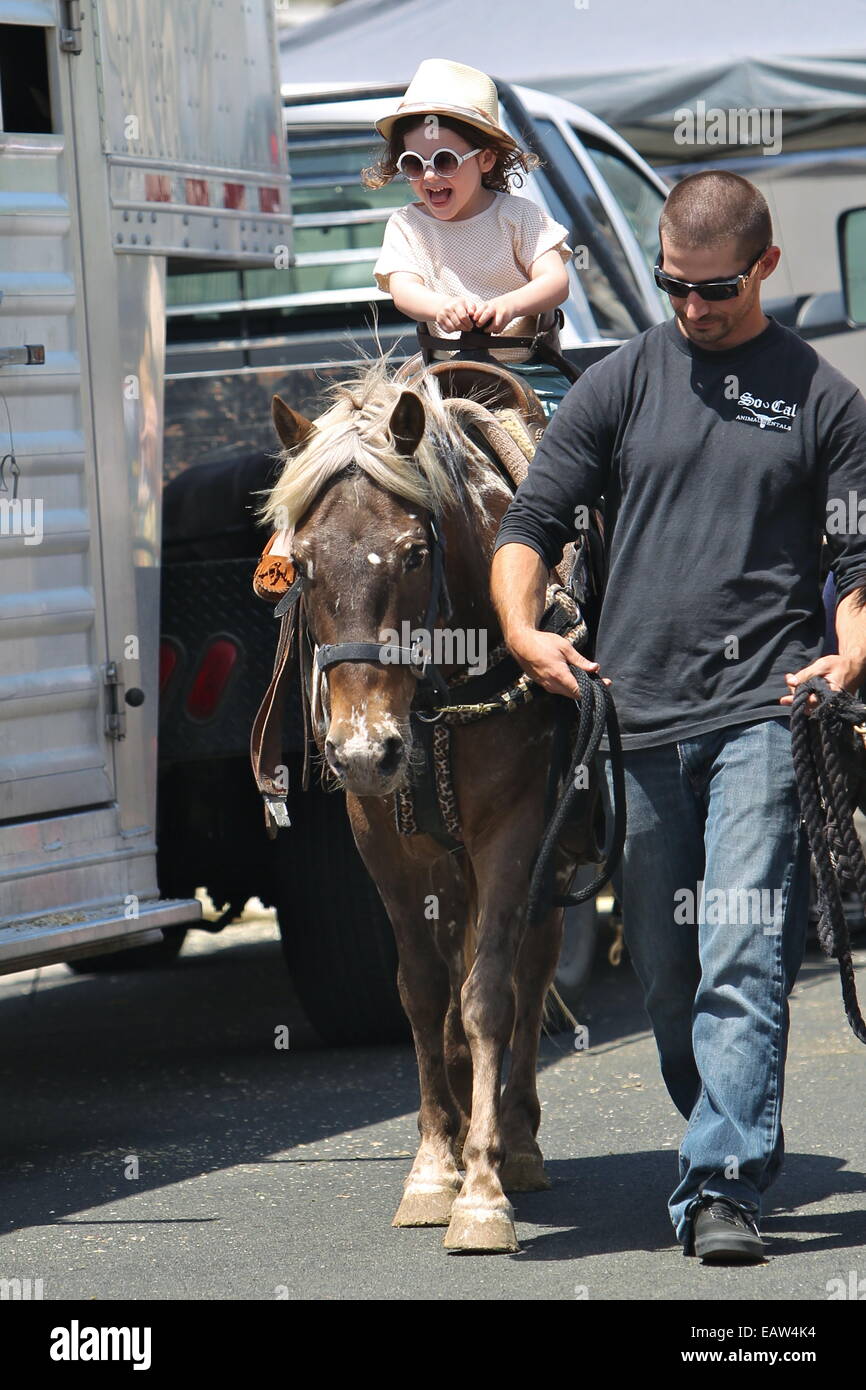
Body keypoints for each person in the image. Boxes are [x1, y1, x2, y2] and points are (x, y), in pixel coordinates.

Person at [490, 170, 866, 1263]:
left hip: (766, 709)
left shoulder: (823, 401)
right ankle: (730, 1123)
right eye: (671, 288)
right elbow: (528, 520)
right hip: (636, 718)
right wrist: (520, 632)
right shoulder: (618, 383)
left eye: (711, 290)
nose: (691, 309)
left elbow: (855, 564)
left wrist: (848, 656)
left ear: (763, 269)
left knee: (740, 952)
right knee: (663, 968)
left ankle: (719, 1185)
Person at [364, 58, 574, 413]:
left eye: (445, 161)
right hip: (442, 378)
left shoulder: (519, 215)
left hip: (530, 372)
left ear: (486, 159)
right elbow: (403, 290)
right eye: (414, 164)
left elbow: (555, 281)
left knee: (567, 437)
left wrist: (510, 305)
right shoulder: (406, 224)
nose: (429, 178)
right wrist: (441, 307)